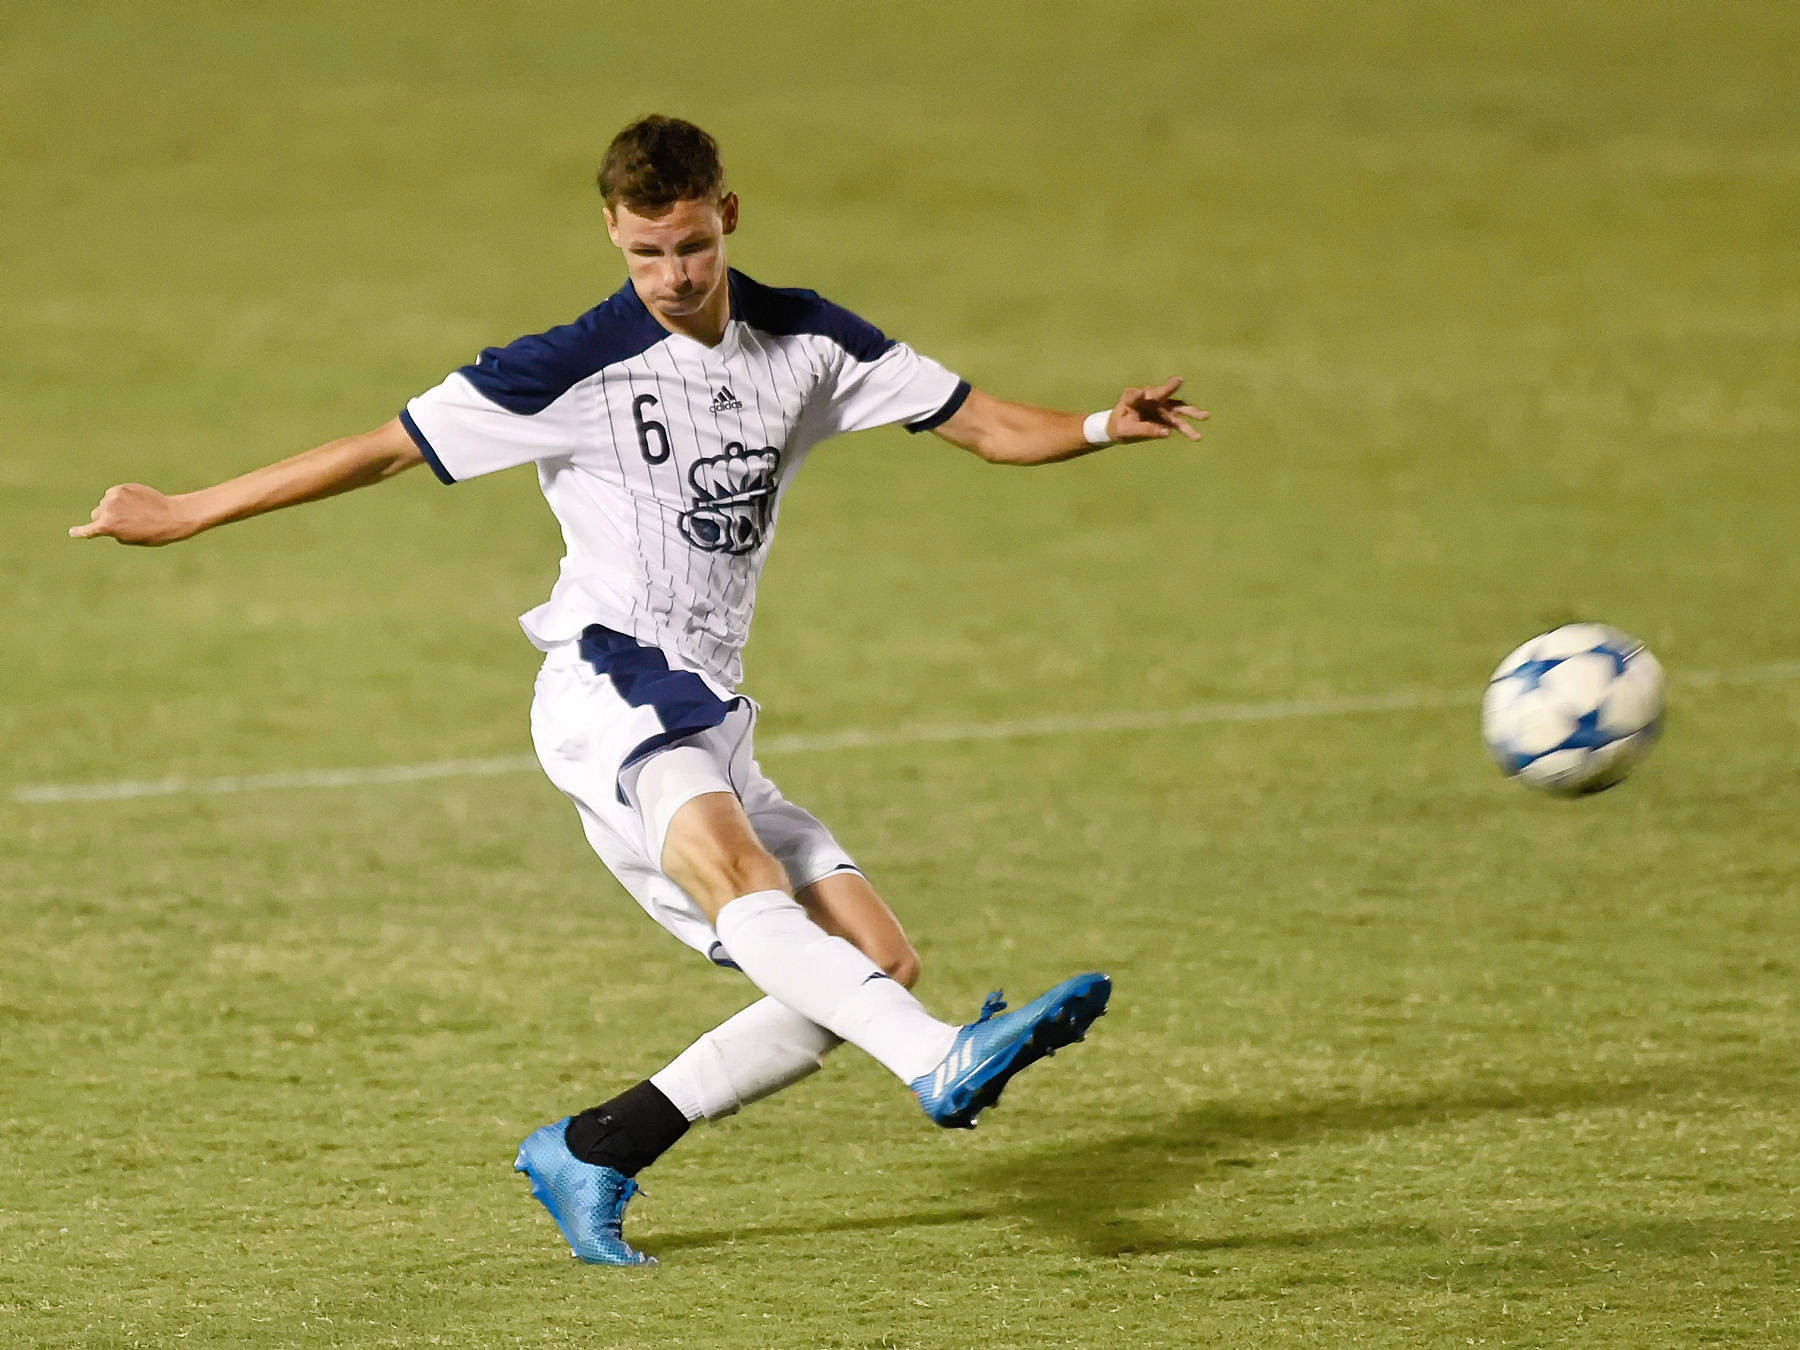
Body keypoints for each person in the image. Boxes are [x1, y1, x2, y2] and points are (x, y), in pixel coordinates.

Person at [71, 115, 1209, 1266]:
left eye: (689, 250)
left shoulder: (809, 338)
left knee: (873, 964)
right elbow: (381, 448)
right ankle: (935, 1061)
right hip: (610, 679)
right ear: (613, 236)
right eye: (643, 254)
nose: (669, 277)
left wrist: (1104, 424)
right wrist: (184, 512)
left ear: (727, 216)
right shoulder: (573, 365)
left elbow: (985, 425)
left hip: (708, 705)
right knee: (758, 893)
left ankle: (596, 1147)